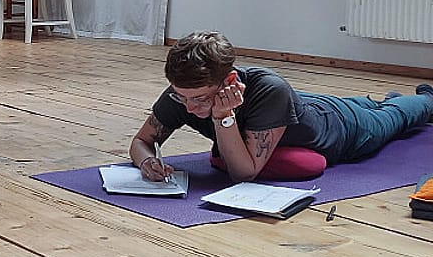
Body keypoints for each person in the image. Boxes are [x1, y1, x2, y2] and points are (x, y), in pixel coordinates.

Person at [130, 31, 433, 182]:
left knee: (397, 117)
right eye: (182, 97)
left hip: (343, 128)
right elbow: (142, 141)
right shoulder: (183, 93)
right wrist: (146, 162)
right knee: (373, 105)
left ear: (229, 81)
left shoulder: (269, 90)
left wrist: (223, 116)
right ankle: (381, 101)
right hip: (304, 107)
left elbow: (244, 172)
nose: (190, 107)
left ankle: (425, 97)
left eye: (200, 99)